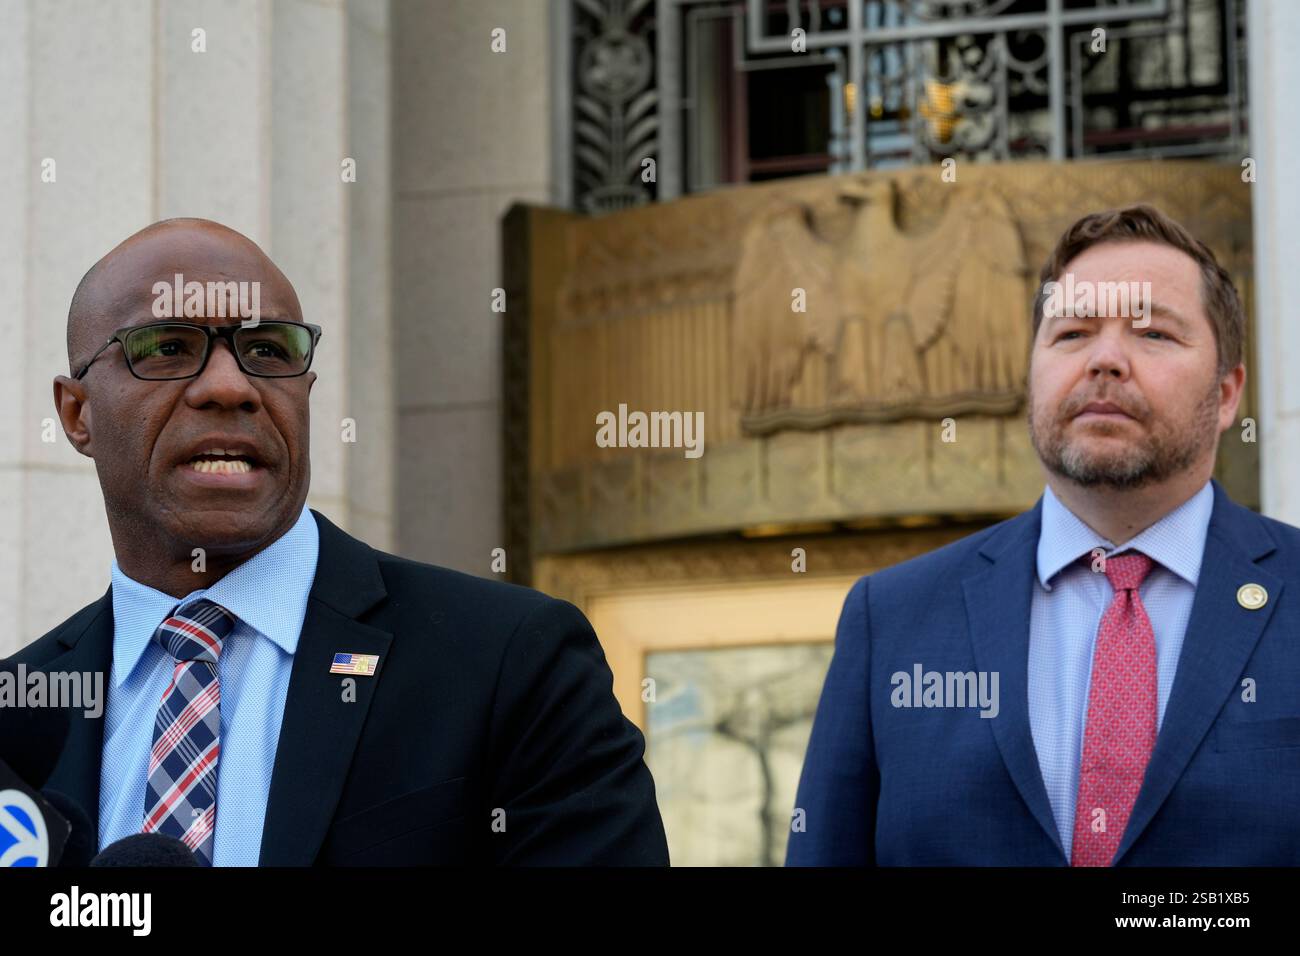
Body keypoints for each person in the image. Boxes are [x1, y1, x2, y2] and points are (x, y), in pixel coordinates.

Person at [3, 218, 669, 866]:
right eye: (167, 347)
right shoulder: (18, 710)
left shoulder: (510, 662)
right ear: (76, 414)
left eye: (268, 350)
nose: (231, 386)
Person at [787, 203, 1300, 866]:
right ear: (1032, 375)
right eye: (1072, 333)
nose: (1106, 360)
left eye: (1153, 334)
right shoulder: (891, 621)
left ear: (1228, 395)